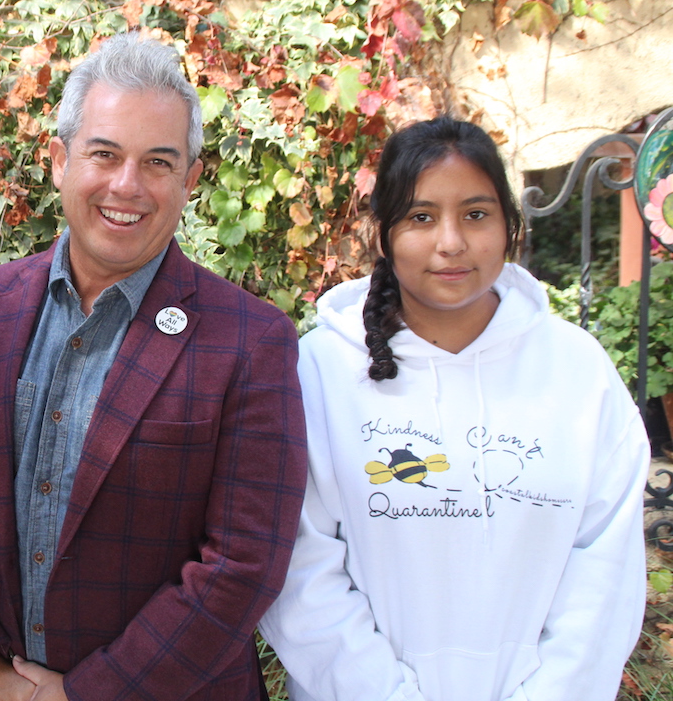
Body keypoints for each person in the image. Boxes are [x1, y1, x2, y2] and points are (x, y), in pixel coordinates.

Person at [0, 32, 309, 701]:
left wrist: (84, 695)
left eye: (158, 161)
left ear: (190, 179)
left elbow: (241, 566)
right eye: (104, 153)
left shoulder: (251, 343)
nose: (127, 185)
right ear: (59, 159)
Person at [259, 116, 648, 701]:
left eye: (476, 213)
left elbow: (605, 567)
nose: (451, 242)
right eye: (421, 217)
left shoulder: (577, 371)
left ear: (509, 224)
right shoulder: (317, 372)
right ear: (384, 231)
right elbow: (296, 567)